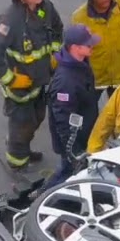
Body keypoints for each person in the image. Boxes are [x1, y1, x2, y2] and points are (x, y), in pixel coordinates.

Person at [0, 0, 64, 171]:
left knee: (37, 119)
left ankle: (23, 149)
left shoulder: (46, 8)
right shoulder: (10, 20)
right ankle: (17, 162)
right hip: (20, 90)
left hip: (40, 81)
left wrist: (55, 54)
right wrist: (11, 79)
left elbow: (57, 29)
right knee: (21, 126)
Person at [45, 24, 101, 189]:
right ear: (75, 48)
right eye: (88, 44)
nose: (92, 47)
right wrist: (74, 152)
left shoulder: (81, 63)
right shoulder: (65, 82)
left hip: (84, 132)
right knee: (69, 173)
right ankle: (45, 196)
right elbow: (63, 120)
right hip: (74, 141)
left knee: (68, 171)